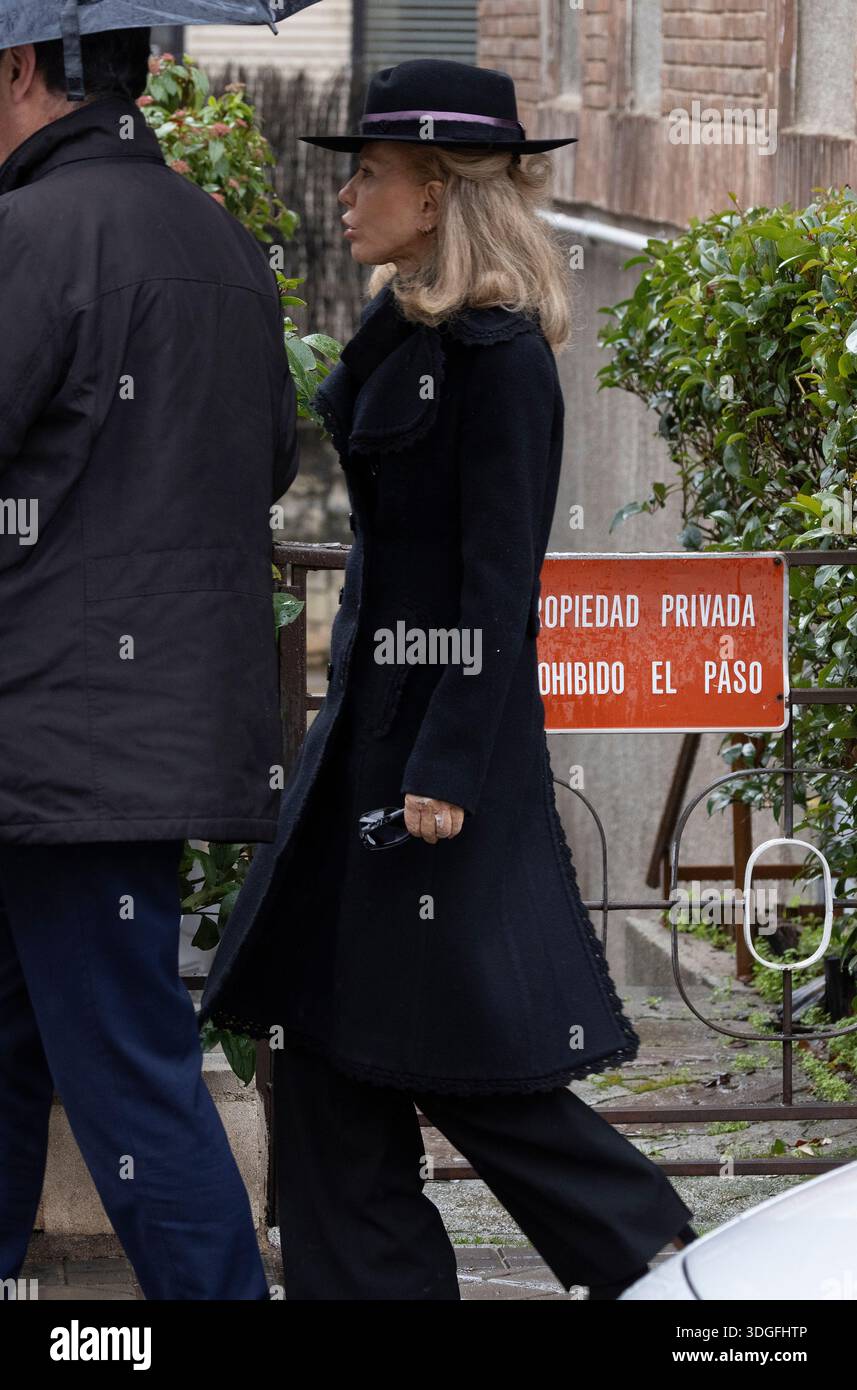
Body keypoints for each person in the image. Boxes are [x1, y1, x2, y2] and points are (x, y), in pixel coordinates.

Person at [199, 58, 697, 1301]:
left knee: (475, 1068)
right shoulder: (407, 334)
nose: (348, 197)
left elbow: (497, 593)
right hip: (363, 753)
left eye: (367, 174)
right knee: (324, 1048)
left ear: (434, 194)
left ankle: (681, 1273)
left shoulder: (497, 360)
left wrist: (441, 770)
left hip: (429, 779)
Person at [0, 26, 298, 1299]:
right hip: (135, 733)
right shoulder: (222, 247)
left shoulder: (33, 237)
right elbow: (269, 459)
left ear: (24, 67)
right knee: (23, 1048)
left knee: (123, 1066)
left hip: (50, 735)